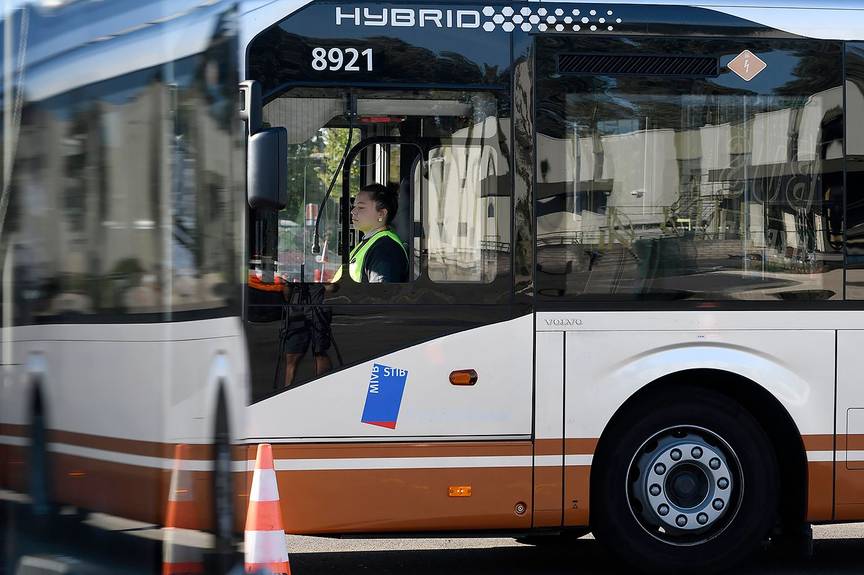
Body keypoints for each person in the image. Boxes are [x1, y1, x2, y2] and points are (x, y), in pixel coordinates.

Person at [337, 183, 409, 283]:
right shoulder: (369, 242)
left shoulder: (385, 249)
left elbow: (380, 294)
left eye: (361, 207)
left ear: (381, 213)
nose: (353, 211)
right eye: (354, 206)